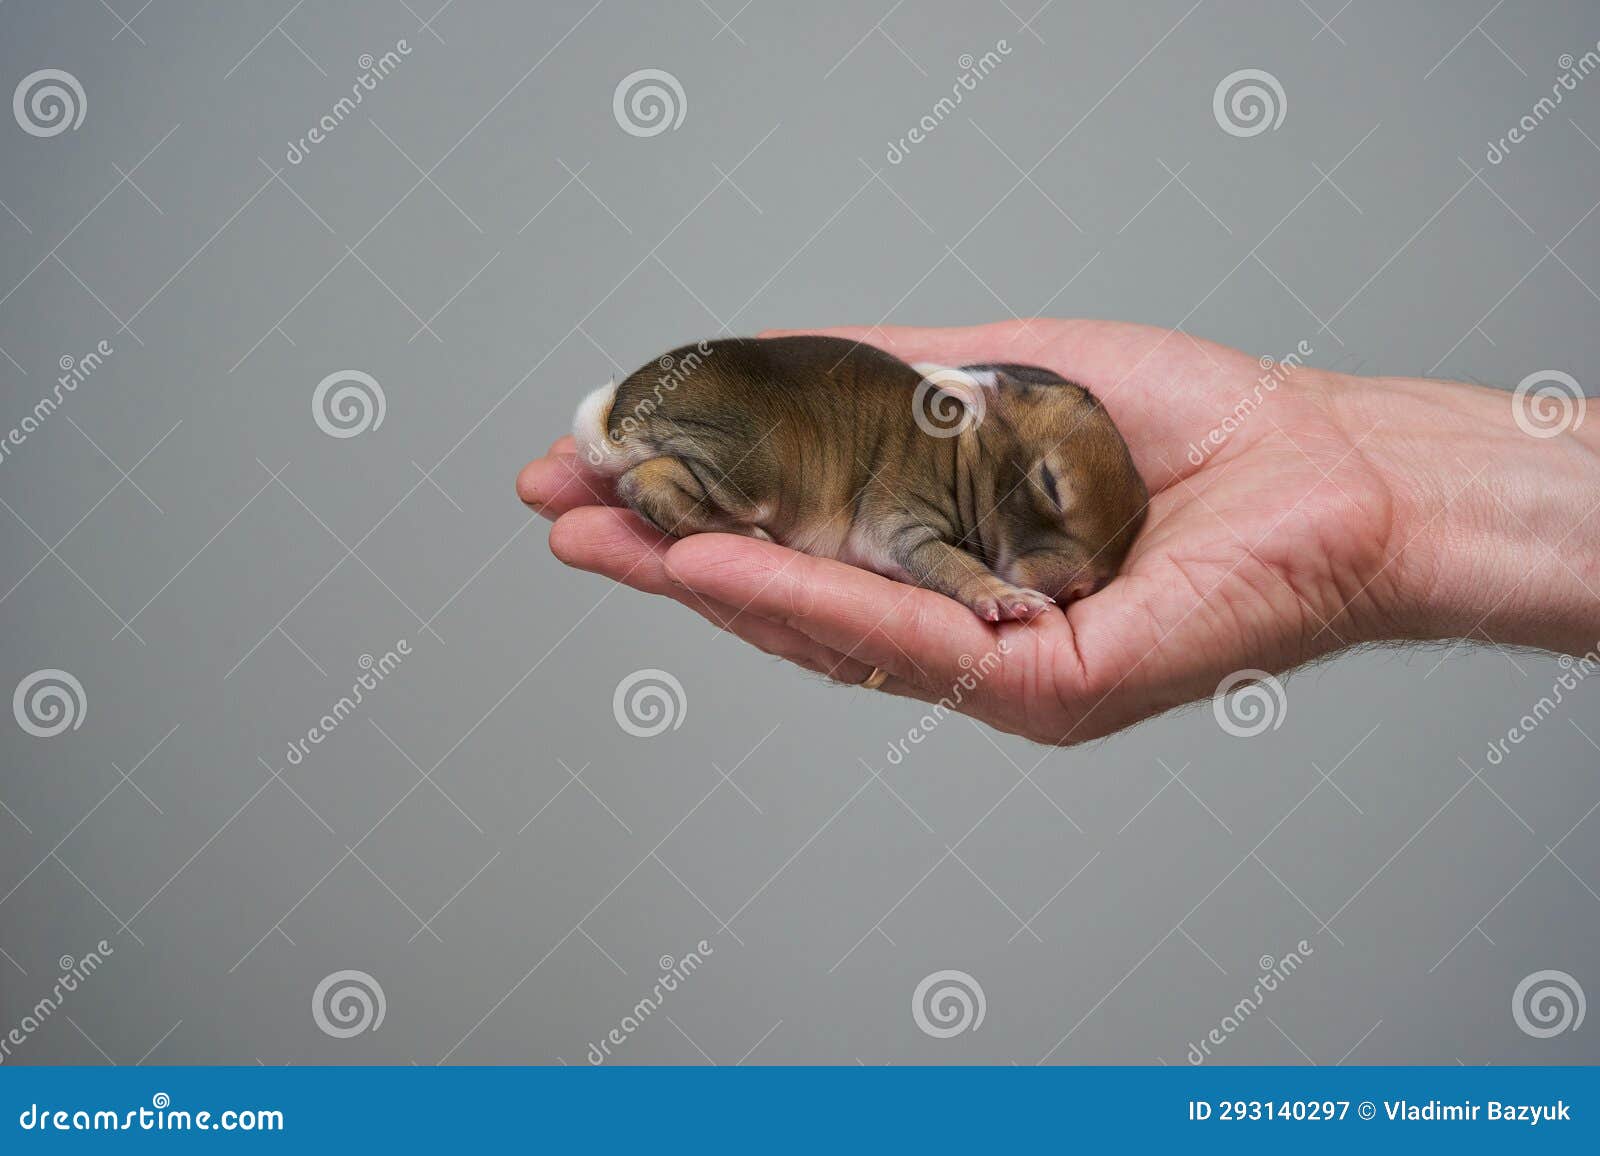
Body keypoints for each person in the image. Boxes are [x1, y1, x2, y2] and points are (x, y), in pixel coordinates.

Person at [516, 319, 1598, 745]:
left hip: (682, 387)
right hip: (701, 411)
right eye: (1043, 494)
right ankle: (667, 481)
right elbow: (908, 542)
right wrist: (977, 588)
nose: (1074, 567)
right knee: (755, 482)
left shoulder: (969, 436)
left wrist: (1385, 501)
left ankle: (669, 467)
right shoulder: (918, 454)